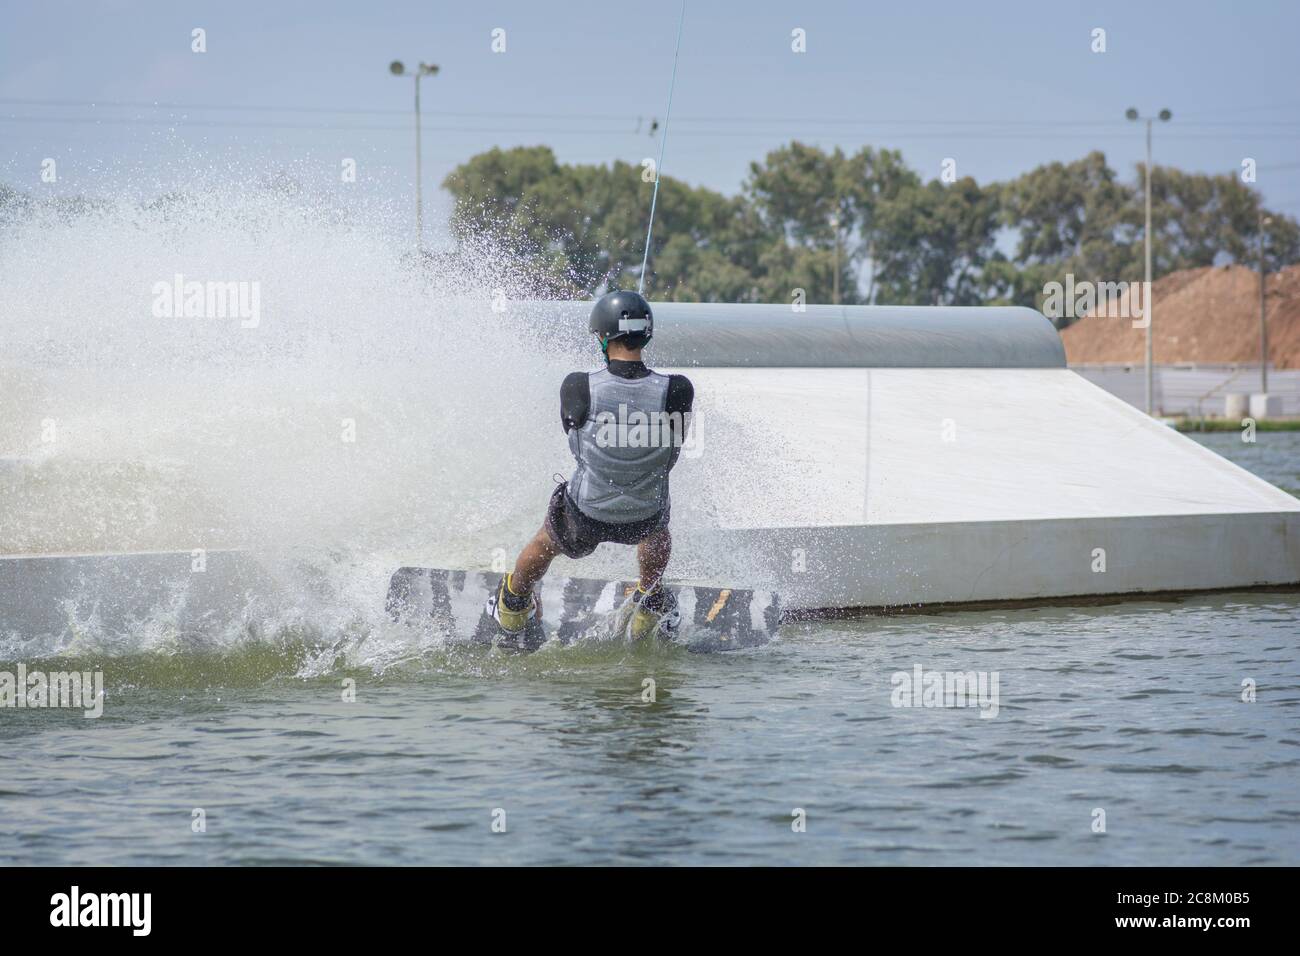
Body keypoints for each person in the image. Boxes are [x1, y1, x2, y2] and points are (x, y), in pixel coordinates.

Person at [487, 290, 694, 645]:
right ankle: (650, 599)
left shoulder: (578, 385)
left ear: (602, 336)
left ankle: (513, 601)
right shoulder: (678, 389)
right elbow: (673, 445)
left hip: (586, 514)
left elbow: (574, 431)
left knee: (546, 540)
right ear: (647, 334)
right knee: (658, 528)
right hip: (644, 516)